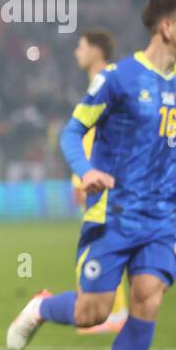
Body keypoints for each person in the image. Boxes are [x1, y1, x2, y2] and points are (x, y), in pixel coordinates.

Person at [6, 0, 176, 350]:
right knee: (94, 312)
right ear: (166, 27)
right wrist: (85, 170)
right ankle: (42, 307)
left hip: (162, 218)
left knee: (147, 301)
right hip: (114, 214)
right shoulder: (118, 79)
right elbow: (72, 132)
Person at [69, 30, 128, 334]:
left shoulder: (106, 82)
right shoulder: (104, 82)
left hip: (101, 179)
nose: (76, 52)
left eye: (80, 46)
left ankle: (112, 314)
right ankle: (115, 312)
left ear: (95, 50)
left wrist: (83, 176)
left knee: (103, 246)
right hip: (100, 177)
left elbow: (90, 134)